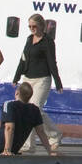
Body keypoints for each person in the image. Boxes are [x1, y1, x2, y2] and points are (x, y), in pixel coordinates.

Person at [12, 14, 63, 152]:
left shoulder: (48, 41)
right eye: (29, 26)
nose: (32, 29)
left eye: (34, 26)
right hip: (28, 78)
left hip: (42, 79)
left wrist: (58, 82)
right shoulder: (29, 39)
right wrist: (16, 77)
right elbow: (22, 59)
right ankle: (34, 143)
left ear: (42, 26)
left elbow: (52, 62)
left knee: (34, 109)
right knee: (26, 109)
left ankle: (46, 138)